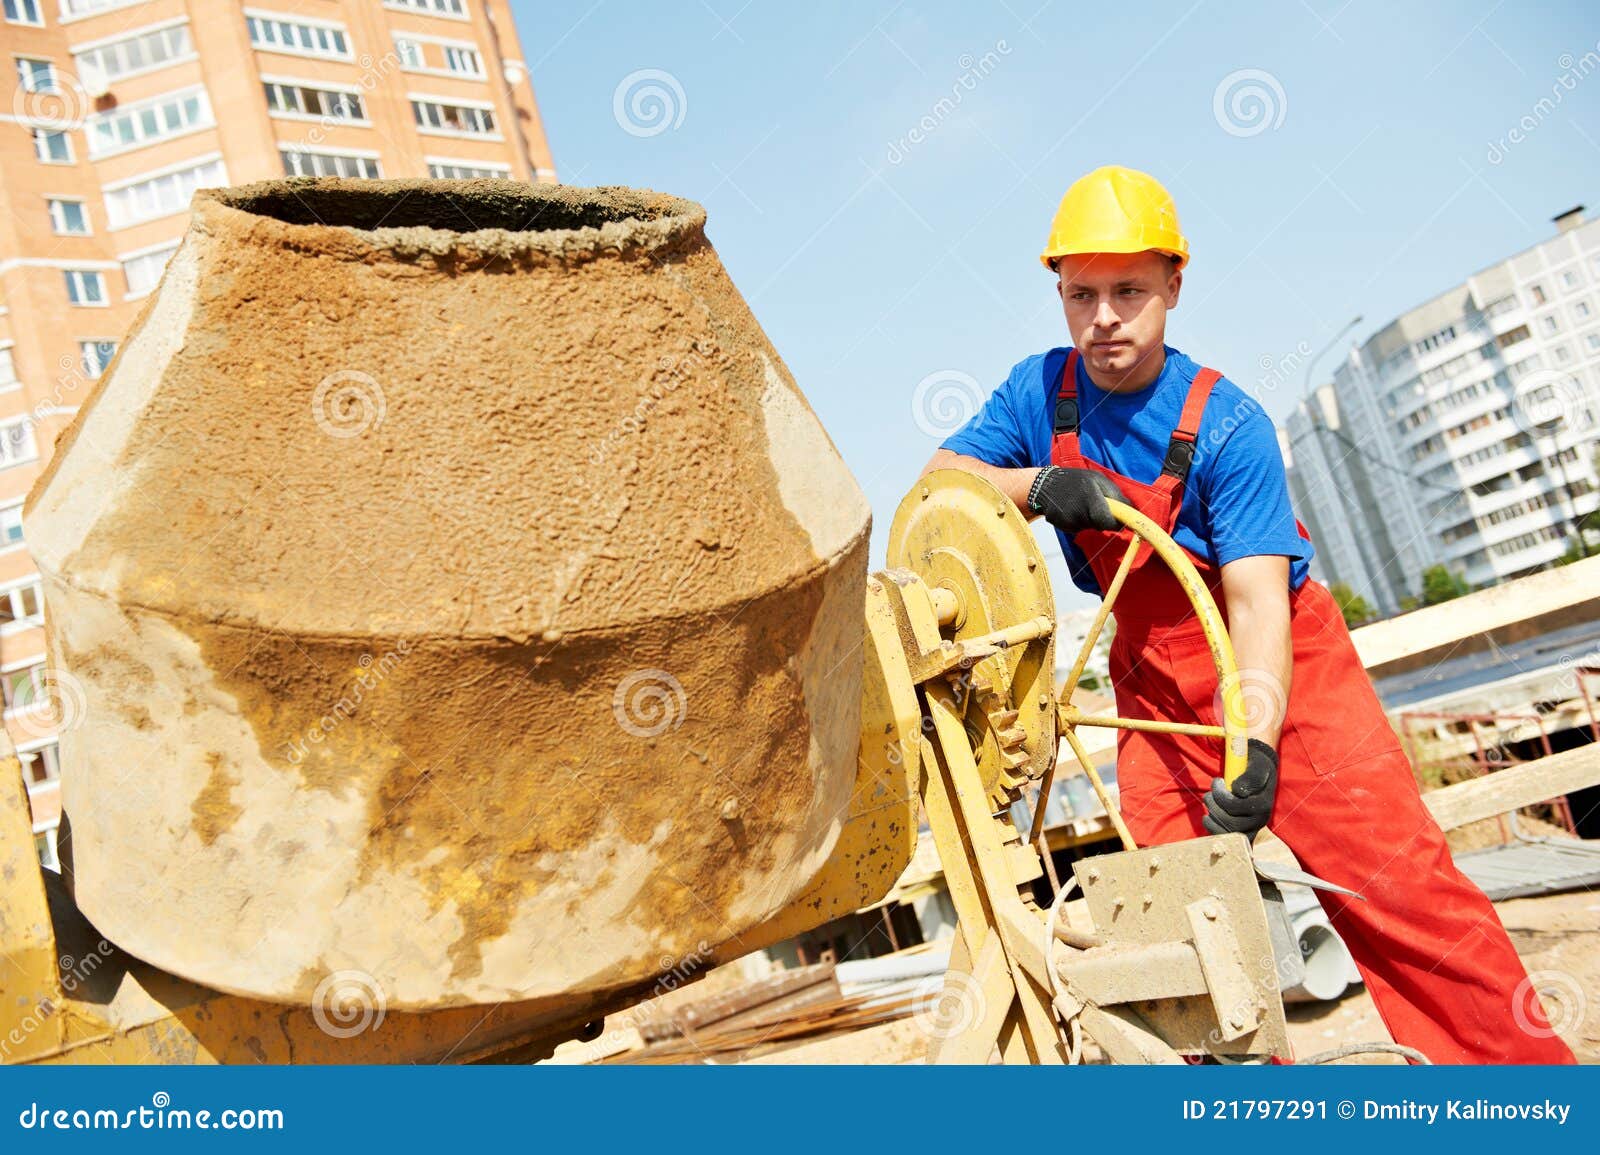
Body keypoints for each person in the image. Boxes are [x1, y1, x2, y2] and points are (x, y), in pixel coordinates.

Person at [926, 165, 1576, 1065]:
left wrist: (1259, 742)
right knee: (1170, 922)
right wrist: (1031, 485)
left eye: (1129, 291)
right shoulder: (1038, 394)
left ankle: (1527, 1092)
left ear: (1174, 288)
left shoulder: (1228, 425)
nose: (1104, 316)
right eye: (1082, 293)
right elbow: (940, 488)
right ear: (1060, 293)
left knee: (1399, 897)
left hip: (1282, 676)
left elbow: (1258, 599)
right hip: (1146, 688)